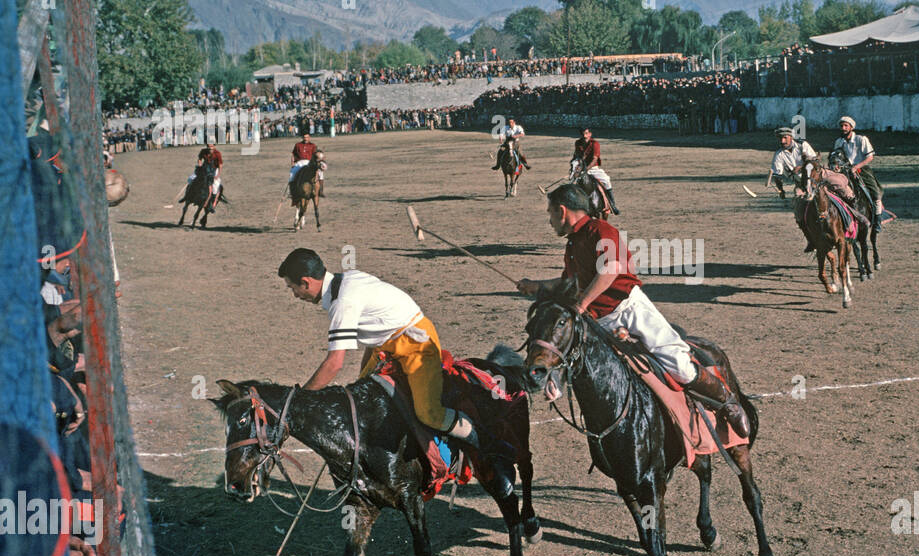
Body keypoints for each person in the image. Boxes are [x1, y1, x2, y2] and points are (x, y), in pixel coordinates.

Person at [516, 185, 748, 437]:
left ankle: (728, 402)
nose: (549, 221)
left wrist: (581, 304)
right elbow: (567, 283)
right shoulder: (572, 244)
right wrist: (536, 286)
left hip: (628, 308)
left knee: (679, 364)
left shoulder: (601, 230)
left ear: (562, 211)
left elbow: (611, 268)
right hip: (598, 319)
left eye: (550, 213)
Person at [276, 248, 513, 495]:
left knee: (429, 413)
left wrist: (298, 402)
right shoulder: (344, 280)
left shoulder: (342, 302)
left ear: (306, 282)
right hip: (386, 345)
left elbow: (334, 363)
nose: (294, 295)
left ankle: (485, 443)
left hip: (416, 343)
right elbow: (372, 334)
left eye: (293, 288)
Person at [828, 116, 883, 227]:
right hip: (844, 172)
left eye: (846, 126)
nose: (843, 128)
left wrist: (856, 167)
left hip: (861, 170)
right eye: (841, 126)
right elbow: (836, 158)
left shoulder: (861, 139)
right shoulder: (838, 142)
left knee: (875, 193)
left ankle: (877, 220)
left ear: (851, 127)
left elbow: (870, 157)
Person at [570, 127, 620, 215]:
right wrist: (574, 165)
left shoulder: (595, 144)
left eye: (586, 133)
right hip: (581, 168)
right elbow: (576, 155)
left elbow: (595, 158)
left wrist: (586, 169)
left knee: (607, 180)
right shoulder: (578, 143)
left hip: (593, 169)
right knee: (572, 183)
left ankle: (612, 204)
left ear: (590, 134)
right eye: (583, 134)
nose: (584, 136)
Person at [290, 131, 324, 196]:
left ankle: (321, 191)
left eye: (307, 137)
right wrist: (292, 163)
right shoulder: (298, 145)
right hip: (299, 162)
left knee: (321, 173)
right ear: (302, 137)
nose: (305, 139)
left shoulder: (313, 145)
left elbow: (316, 155)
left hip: (309, 162)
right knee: (292, 174)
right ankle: (292, 191)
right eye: (304, 137)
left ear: (309, 138)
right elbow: (293, 154)